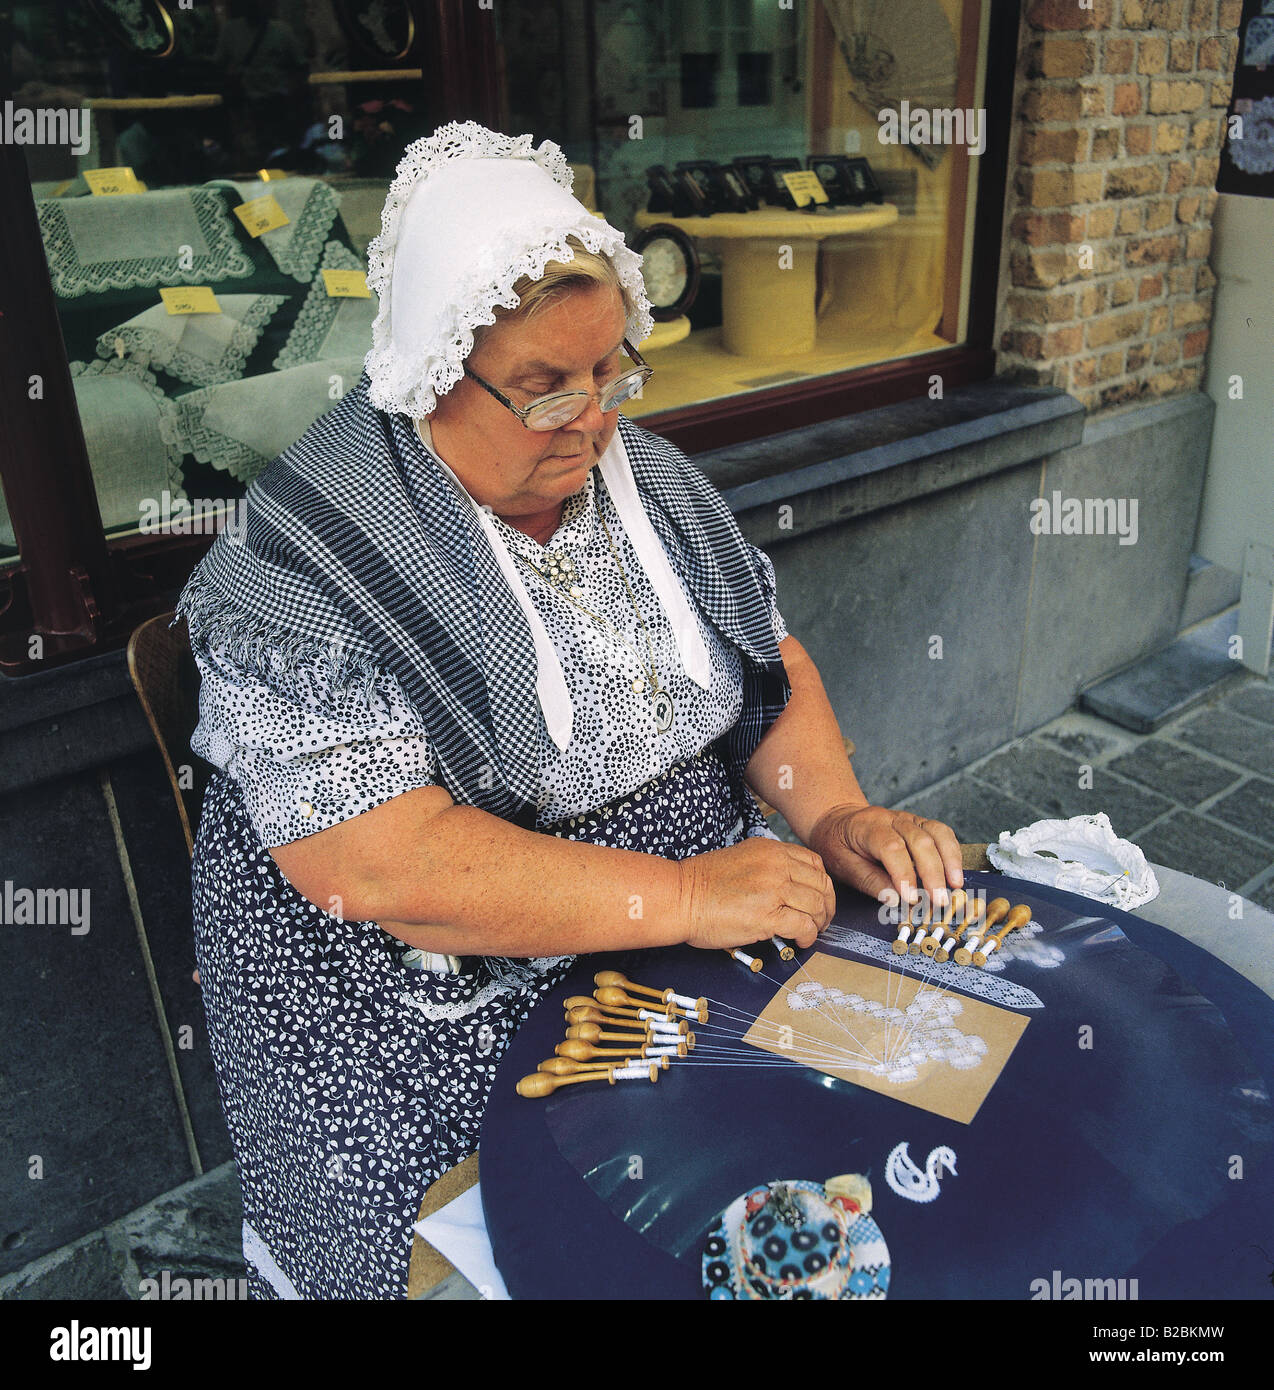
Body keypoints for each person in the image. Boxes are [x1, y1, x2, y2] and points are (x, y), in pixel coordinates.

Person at [179, 121, 963, 1300]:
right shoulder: (307, 559)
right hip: (420, 1013)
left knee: (880, 1128)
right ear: (435, 366)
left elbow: (764, 662)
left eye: (611, 370)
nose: (595, 419)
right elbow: (386, 872)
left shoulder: (634, 476)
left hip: (674, 931)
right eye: (545, 389)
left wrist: (831, 814)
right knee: (615, 1232)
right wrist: (693, 893)